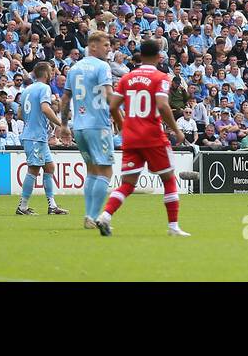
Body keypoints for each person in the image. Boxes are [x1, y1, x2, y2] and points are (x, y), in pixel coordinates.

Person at [95, 38, 189, 237]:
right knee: (169, 179)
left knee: (128, 184)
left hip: (131, 138)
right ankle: (173, 227)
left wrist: (123, 126)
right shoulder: (161, 77)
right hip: (153, 136)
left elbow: (112, 106)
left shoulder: (127, 78)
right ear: (158, 56)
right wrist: (177, 130)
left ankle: (105, 216)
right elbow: (163, 105)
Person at [61, 30, 115, 228]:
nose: (109, 49)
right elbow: (109, 94)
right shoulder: (102, 66)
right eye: (106, 45)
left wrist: (65, 125)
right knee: (106, 171)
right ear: (93, 46)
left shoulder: (74, 68)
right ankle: (92, 217)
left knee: (92, 171)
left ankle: (88, 214)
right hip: (98, 125)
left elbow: (65, 98)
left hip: (79, 127)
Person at [16, 61, 70, 216]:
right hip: (35, 136)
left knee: (50, 167)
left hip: (34, 135)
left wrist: (36, 120)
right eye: (51, 72)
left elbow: (20, 114)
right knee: (33, 169)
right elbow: (45, 108)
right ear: (46, 74)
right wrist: (60, 124)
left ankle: (52, 206)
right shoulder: (45, 88)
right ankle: (23, 206)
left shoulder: (27, 89)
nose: (53, 74)